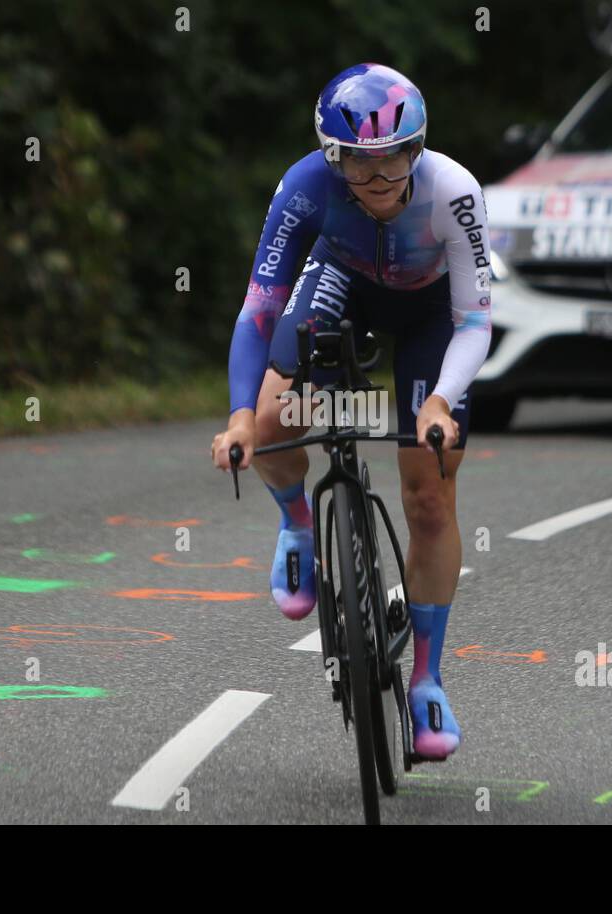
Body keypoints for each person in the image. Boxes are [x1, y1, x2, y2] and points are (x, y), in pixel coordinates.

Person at [210, 63, 492, 760]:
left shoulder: (454, 193)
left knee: (429, 492)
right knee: (276, 423)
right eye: (360, 167)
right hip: (342, 282)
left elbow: (475, 321)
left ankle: (426, 680)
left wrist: (434, 404)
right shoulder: (305, 187)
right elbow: (258, 310)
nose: (379, 181)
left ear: (416, 150)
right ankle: (298, 526)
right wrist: (242, 417)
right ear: (333, 158)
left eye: (393, 162)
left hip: (430, 313)